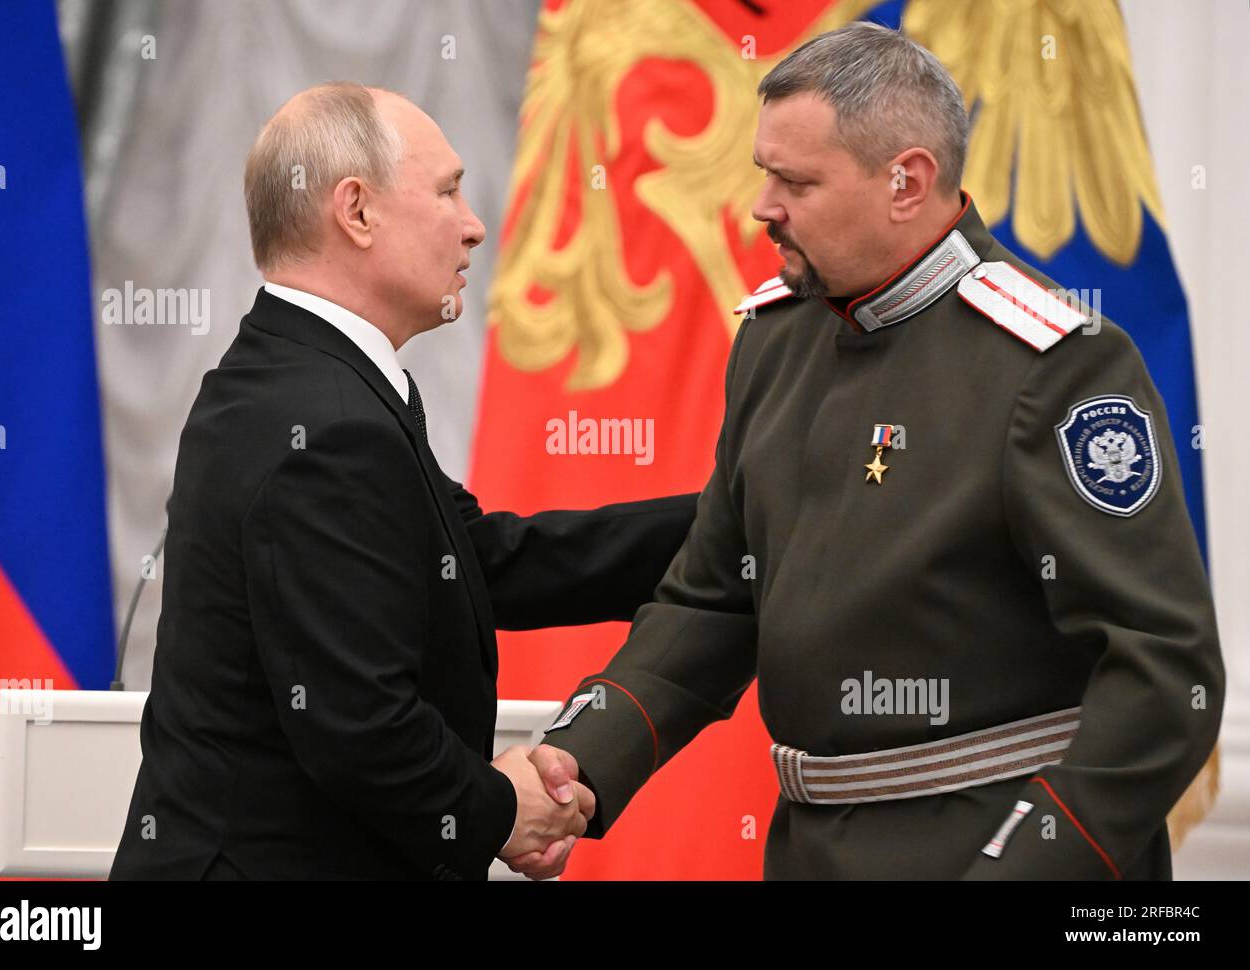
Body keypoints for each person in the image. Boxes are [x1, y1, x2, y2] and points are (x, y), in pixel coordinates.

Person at [539, 22, 1224, 880]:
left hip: (991, 849)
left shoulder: (1057, 362)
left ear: (908, 181)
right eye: (765, 174)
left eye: (796, 181)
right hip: (808, 850)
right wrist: (581, 762)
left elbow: (1164, 669)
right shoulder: (773, 341)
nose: (762, 207)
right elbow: (713, 600)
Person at [109, 83, 697, 881]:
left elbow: (481, 561)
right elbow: (358, 724)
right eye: (448, 190)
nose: (473, 224)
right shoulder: (327, 418)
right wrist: (501, 811)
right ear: (356, 212)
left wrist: (730, 523)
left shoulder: (298, 377)